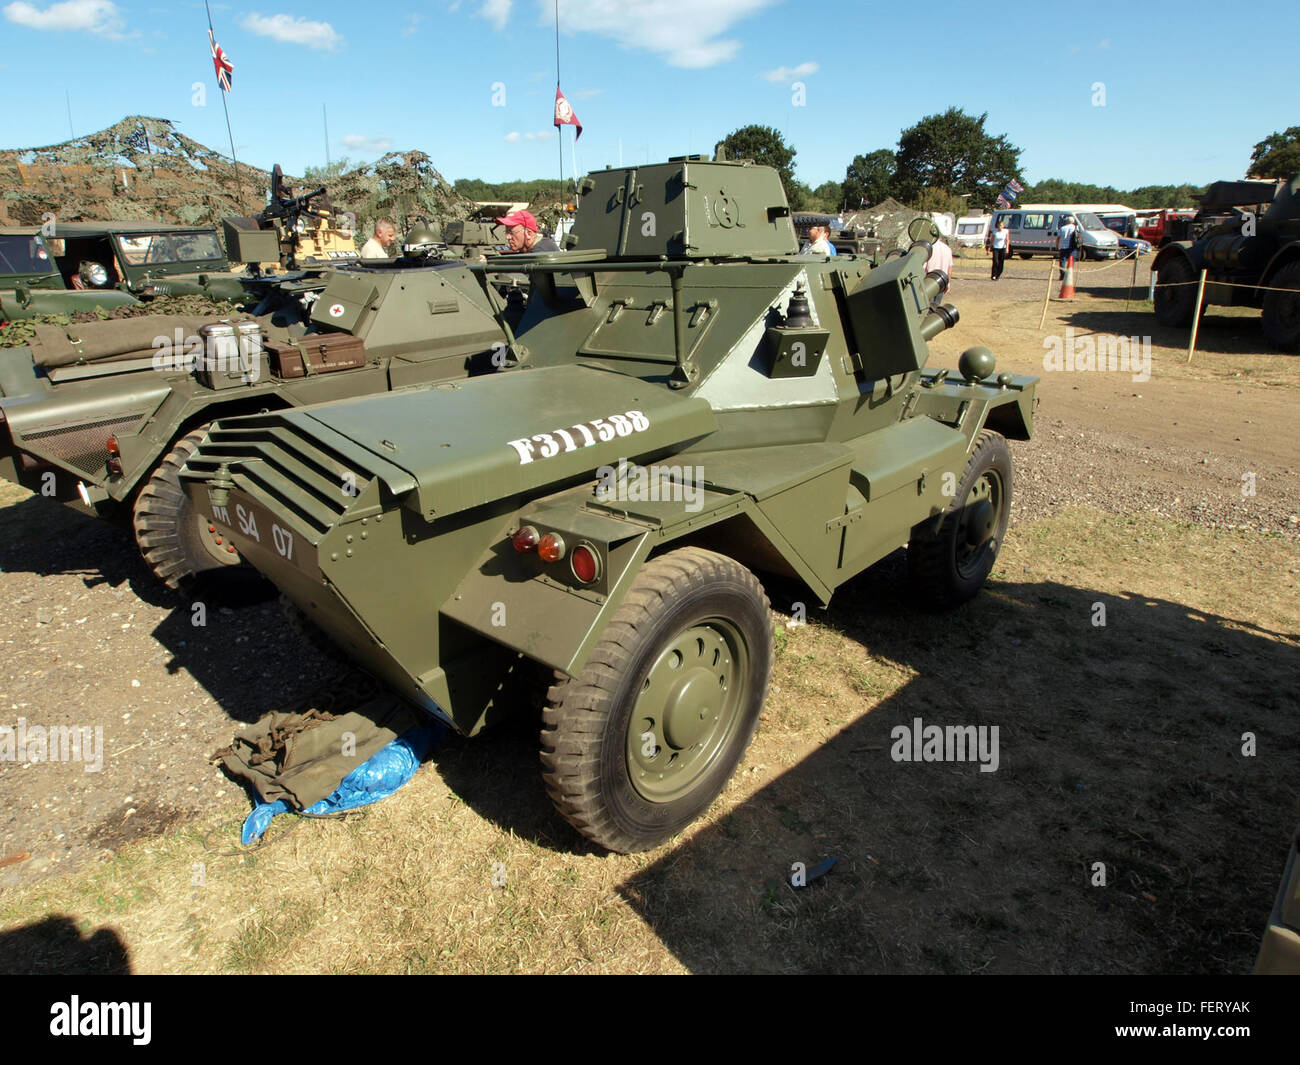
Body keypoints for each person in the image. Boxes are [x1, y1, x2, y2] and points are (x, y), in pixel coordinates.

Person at [1055, 214, 1078, 279]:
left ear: (1066, 221)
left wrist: (1057, 246)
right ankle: (1069, 275)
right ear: (1073, 221)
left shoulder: (1062, 228)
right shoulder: (1075, 228)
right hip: (1072, 247)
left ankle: (1063, 275)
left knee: (1062, 261)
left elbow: (1058, 238)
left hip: (1063, 246)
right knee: (1071, 261)